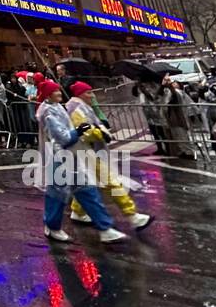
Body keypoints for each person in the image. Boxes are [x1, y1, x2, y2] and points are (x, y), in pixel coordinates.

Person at [36, 81, 128, 244]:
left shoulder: (57, 106)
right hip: (59, 158)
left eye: (58, 89)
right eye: (55, 91)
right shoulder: (48, 112)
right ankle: (52, 227)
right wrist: (78, 131)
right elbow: (62, 137)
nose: (59, 92)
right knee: (57, 195)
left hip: (70, 156)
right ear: (49, 94)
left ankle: (105, 229)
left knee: (87, 190)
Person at [64, 82, 151, 230]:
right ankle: (132, 216)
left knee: (89, 184)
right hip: (86, 152)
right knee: (111, 183)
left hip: (89, 152)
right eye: (88, 93)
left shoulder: (80, 106)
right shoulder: (76, 109)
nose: (92, 96)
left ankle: (78, 211)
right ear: (79, 94)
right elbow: (85, 132)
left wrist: (101, 128)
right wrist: (102, 134)